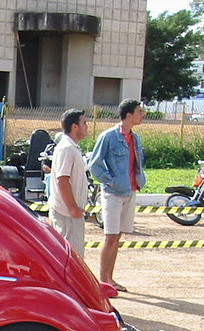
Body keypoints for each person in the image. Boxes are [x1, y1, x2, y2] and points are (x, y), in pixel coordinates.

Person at [88, 99, 146, 293]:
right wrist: (110, 180)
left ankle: (110, 279)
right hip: (113, 193)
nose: (142, 115)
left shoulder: (135, 138)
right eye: (139, 111)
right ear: (128, 115)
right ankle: (104, 281)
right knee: (110, 236)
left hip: (130, 190)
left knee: (118, 236)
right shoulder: (108, 137)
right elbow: (95, 164)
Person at [48, 109, 89, 257]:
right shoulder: (67, 148)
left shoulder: (72, 147)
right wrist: (73, 208)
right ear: (74, 127)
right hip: (67, 215)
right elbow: (62, 180)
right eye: (84, 123)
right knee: (71, 259)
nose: (87, 126)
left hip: (70, 214)